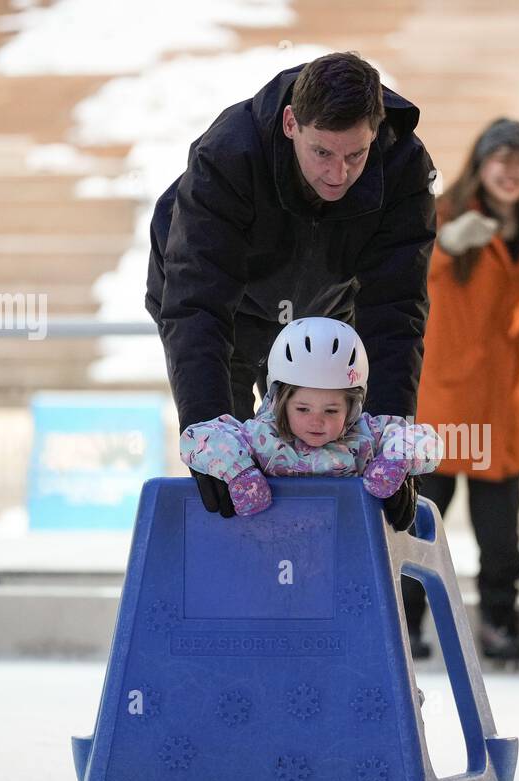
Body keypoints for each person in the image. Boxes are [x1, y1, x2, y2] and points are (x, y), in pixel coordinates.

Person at [179, 316, 442, 781]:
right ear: (279, 400)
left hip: (348, 597)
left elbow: (428, 440)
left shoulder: (368, 438)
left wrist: (396, 463)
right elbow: (197, 439)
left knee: (369, 688)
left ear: (354, 404)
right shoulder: (258, 438)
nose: (317, 422)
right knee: (266, 689)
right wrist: (239, 473)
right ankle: (221, 780)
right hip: (267, 598)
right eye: (302, 408)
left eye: (332, 408)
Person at [148, 51, 436, 533]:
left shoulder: (404, 164)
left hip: (324, 313)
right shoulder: (229, 154)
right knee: (236, 472)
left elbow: (395, 306)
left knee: (332, 449)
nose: (338, 174)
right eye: (322, 152)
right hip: (224, 311)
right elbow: (197, 304)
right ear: (290, 124)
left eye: (356, 155)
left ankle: (315, 588)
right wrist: (204, 425)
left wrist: (392, 428)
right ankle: (239, 589)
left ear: (376, 133)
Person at [400, 118, 519, 667]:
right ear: (481, 164)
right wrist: (445, 245)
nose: (510, 171)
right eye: (501, 159)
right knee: (419, 524)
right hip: (444, 404)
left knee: (501, 538)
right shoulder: (443, 216)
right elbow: (407, 274)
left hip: (500, 409)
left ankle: (499, 623)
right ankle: (403, 626)